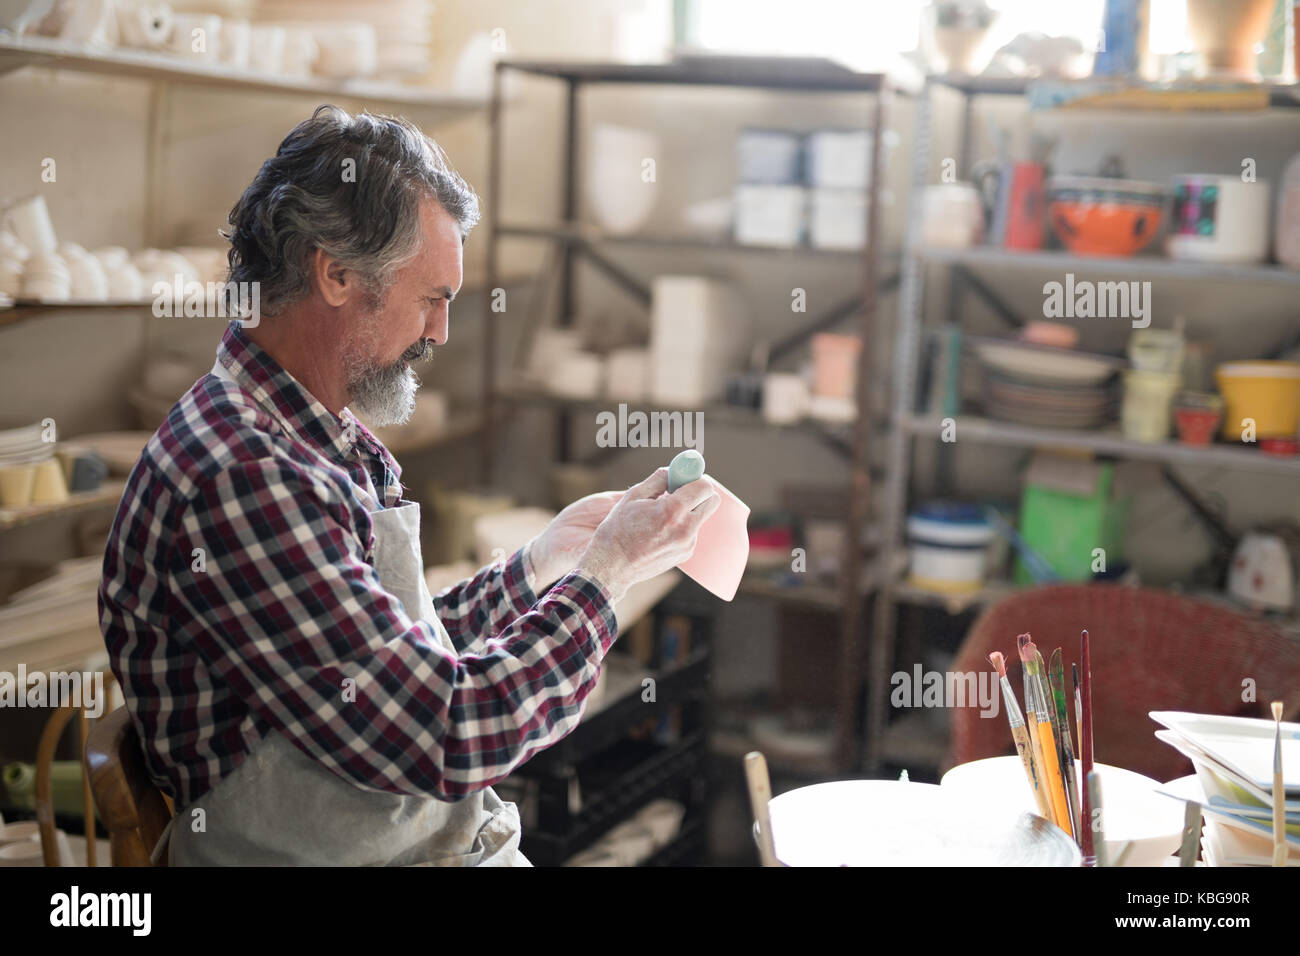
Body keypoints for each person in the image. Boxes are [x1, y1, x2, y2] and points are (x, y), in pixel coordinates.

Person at [98, 105, 719, 865]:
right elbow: (445, 733)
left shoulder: (317, 435)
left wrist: (541, 567)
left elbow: (390, 660)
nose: (441, 333)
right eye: (432, 298)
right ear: (335, 273)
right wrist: (605, 577)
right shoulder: (246, 474)